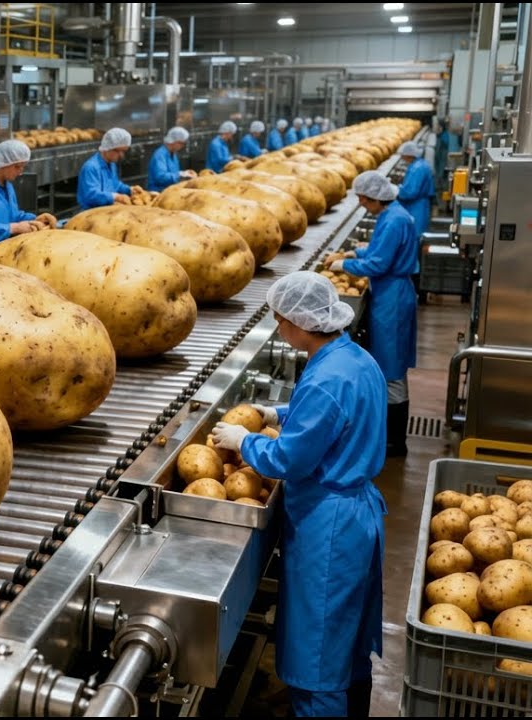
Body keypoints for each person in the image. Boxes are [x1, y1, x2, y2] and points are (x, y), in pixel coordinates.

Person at [210, 270, 387, 718]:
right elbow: (330, 414)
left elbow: (289, 460)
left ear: (302, 323)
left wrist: (245, 442)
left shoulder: (326, 378)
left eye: (281, 319)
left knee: (317, 659)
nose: (278, 327)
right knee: (346, 643)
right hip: (359, 515)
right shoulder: (354, 358)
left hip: (329, 529)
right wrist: (278, 412)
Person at [323, 170, 417, 456]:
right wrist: (356, 253)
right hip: (389, 292)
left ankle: (394, 442)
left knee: (391, 367)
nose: (361, 203)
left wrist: (343, 266)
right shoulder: (392, 214)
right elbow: (379, 252)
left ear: (376, 197)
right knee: (387, 364)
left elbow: (379, 265)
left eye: (364, 199)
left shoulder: (395, 220)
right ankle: (387, 435)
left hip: (392, 299)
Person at [0, 139, 57, 260]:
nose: (20, 172)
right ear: (3, 164)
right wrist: (14, 228)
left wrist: (35, 219)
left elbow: (13, 216)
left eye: (23, 167)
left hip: (2, 255)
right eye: (17, 167)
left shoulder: (7, 186)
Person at [394, 140, 436, 292]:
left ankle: (415, 285)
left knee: (413, 247)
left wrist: (395, 190)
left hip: (416, 209)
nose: (402, 158)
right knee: (414, 246)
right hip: (419, 207)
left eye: (403, 155)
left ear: (408, 154)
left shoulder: (417, 169)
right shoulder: (420, 165)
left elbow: (410, 192)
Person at [77, 127, 133, 211]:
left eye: (123, 151)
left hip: (106, 210)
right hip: (91, 213)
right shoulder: (91, 167)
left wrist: (130, 189)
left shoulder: (111, 164)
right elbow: (91, 195)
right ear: (107, 147)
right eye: (118, 151)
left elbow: (115, 185)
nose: (121, 155)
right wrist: (115, 197)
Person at [146, 126, 196, 192]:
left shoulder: (173, 154)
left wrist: (184, 174)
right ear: (175, 142)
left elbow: (174, 173)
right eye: (182, 144)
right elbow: (161, 177)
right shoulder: (160, 155)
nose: (182, 146)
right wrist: (180, 175)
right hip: (158, 192)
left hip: (170, 190)